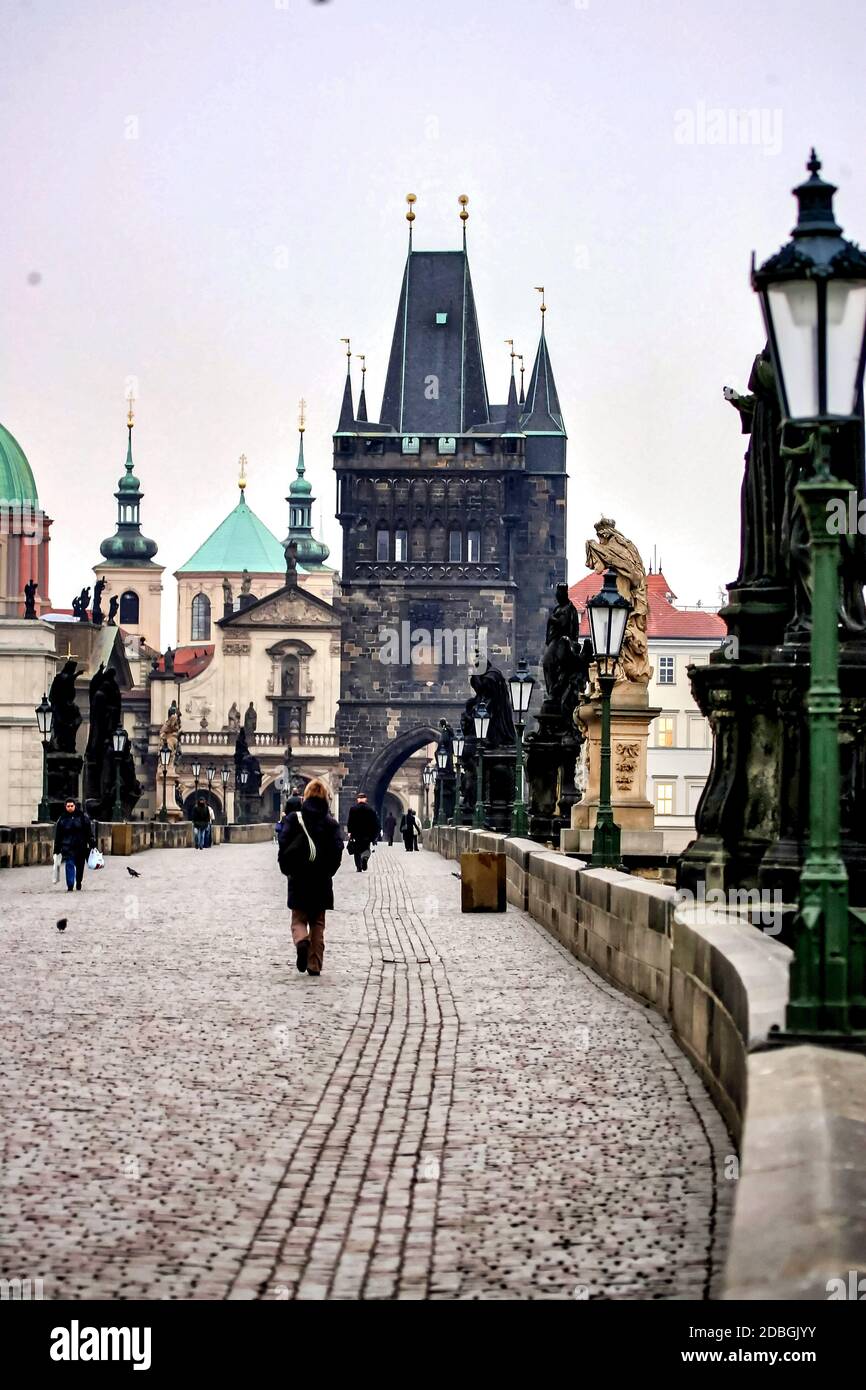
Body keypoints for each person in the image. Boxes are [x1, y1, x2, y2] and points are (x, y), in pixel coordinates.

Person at [277, 778, 344, 977]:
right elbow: (338, 851)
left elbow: (283, 843)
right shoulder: (331, 823)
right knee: (318, 922)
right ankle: (314, 964)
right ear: (326, 797)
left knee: (298, 919)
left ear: (305, 796)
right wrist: (329, 871)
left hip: (298, 877)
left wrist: (287, 868)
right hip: (321, 879)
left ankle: (301, 941)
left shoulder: (294, 819)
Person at [54, 799, 95, 891]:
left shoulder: (82, 817)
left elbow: (88, 831)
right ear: (65, 807)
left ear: (75, 806)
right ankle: (70, 884)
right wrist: (57, 848)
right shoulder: (62, 819)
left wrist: (91, 842)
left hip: (81, 846)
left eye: (71, 806)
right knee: (69, 864)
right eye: (68, 806)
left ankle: (79, 881)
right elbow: (58, 835)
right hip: (67, 846)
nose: (70, 808)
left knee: (80, 866)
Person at [346, 792, 380, 872]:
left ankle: (358, 867)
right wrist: (374, 834)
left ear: (358, 799)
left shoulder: (353, 809)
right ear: (365, 799)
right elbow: (375, 823)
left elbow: (350, 821)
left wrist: (349, 831)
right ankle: (365, 858)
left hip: (356, 833)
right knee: (366, 848)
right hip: (367, 834)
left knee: (356, 850)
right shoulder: (370, 809)